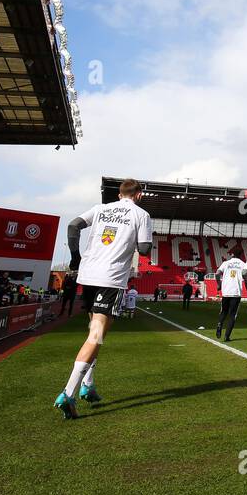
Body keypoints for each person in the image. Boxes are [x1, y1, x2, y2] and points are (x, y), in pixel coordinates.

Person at [54, 179, 153, 419]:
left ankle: (88, 384)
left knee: (95, 333)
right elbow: (145, 249)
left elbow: (73, 225)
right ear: (138, 194)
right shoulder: (141, 214)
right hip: (110, 280)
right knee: (96, 336)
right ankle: (68, 393)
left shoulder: (100, 209)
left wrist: (75, 256)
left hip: (87, 277)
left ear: (120, 195)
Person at [214, 253, 246, 342]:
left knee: (223, 311)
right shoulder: (242, 264)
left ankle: (220, 324)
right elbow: (246, 275)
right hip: (236, 293)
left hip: (226, 292)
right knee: (232, 315)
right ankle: (227, 336)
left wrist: (219, 284)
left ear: (232, 255)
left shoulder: (225, 263)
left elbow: (217, 274)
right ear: (240, 255)